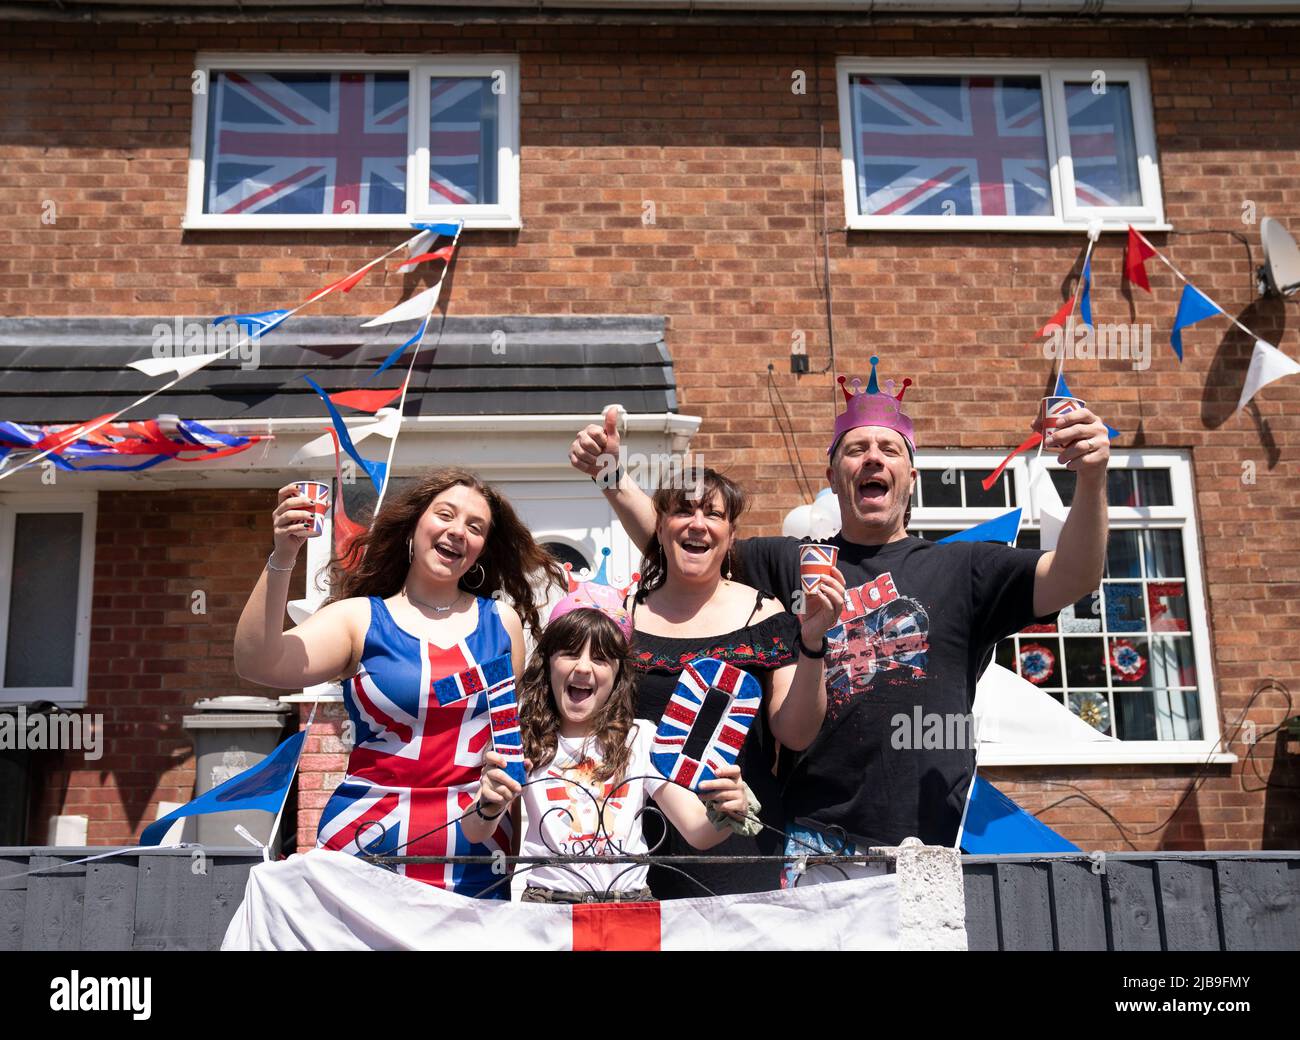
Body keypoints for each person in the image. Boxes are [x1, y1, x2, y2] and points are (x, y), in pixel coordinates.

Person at [568, 361, 1111, 884]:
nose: (872, 459)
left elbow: (1073, 576)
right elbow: (686, 552)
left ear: (911, 475)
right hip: (809, 841)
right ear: (833, 474)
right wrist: (612, 474)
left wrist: (1091, 479)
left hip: (925, 840)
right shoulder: (792, 562)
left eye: (888, 449)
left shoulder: (965, 566)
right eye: (856, 449)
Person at [234, 467, 564, 897]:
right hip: (365, 854)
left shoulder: (502, 624)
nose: (458, 531)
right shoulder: (360, 618)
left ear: (482, 549)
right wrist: (284, 555)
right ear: (414, 526)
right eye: (445, 515)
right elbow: (258, 661)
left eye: (475, 526)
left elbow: (503, 754)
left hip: (475, 862)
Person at [621, 467, 834, 898]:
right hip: (634, 853)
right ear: (661, 527)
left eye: (712, 514)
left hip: (741, 847)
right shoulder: (623, 615)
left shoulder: (765, 616)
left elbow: (795, 733)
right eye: (683, 511)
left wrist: (812, 644)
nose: (697, 523)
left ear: (730, 534)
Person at [466, 606, 749, 903]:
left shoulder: (640, 738)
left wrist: (728, 809)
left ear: (617, 676)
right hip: (548, 907)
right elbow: (474, 832)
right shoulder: (520, 739)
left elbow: (698, 832)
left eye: (600, 658)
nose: (584, 668)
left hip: (629, 906)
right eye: (571, 653)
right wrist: (489, 802)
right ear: (548, 663)